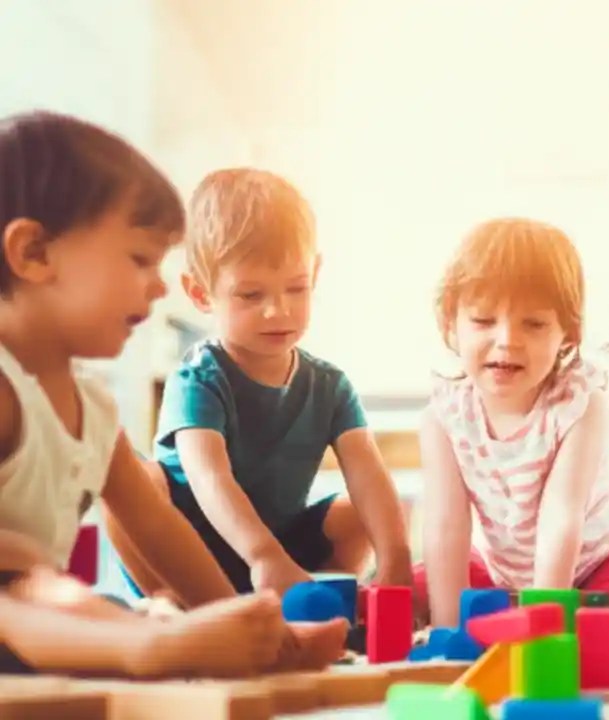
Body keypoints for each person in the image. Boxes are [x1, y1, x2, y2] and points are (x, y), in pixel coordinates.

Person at [0, 111, 344, 676]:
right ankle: (149, 647)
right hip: (23, 607)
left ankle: (170, 636)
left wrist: (244, 621)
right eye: (139, 259)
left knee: (82, 600)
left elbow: (158, 528)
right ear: (34, 253)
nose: (159, 286)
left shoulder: (92, 411)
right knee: (46, 590)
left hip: (38, 623)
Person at [109, 168, 412, 597]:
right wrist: (261, 555)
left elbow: (368, 473)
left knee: (360, 510)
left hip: (282, 551)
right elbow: (210, 477)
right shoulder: (199, 377)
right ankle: (180, 608)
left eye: (296, 288)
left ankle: (317, 600)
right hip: (191, 554)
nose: (278, 311)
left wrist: (395, 558)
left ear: (316, 273)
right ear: (200, 293)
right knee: (139, 479)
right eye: (251, 295)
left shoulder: (330, 385)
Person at [416, 218, 609, 626]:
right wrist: (447, 631)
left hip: (600, 562)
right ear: (449, 325)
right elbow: (446, 526)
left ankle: (553, 616)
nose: (508, 339)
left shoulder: (581, 405)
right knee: (418, 580)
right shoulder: (443, 417)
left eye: (534, 323)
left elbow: (562, 520)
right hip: (504, 574)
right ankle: (509, 614)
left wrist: (541, 621)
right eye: (484, 321)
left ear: (568, 333)